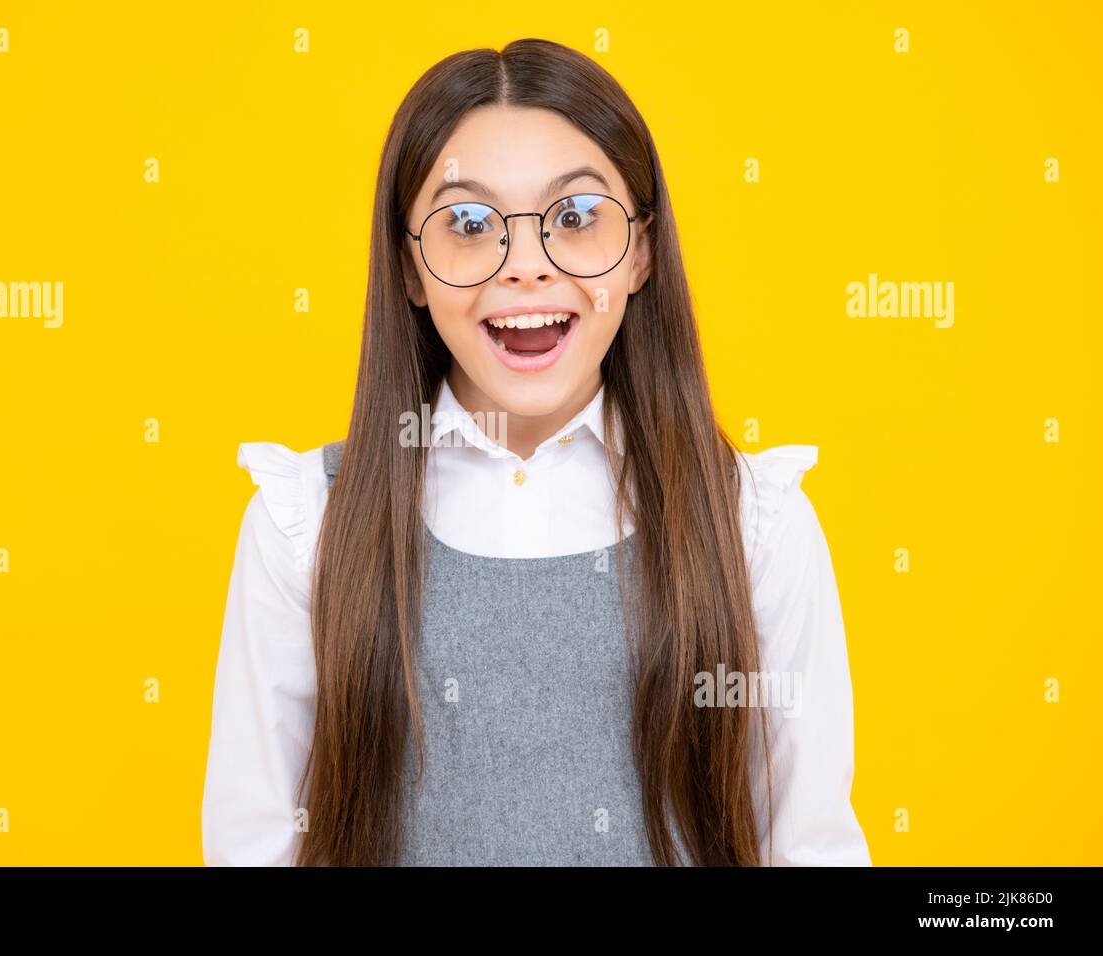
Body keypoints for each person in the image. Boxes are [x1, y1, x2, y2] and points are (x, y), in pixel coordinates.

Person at [202, 38, 871, 867]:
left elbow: (809, 847)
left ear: (644, 252)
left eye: (578, 217)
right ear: (411, 267)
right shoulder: (307, 522)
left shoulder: (754, 524)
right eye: (469, 225)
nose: (525, 268)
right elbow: (254, 844)